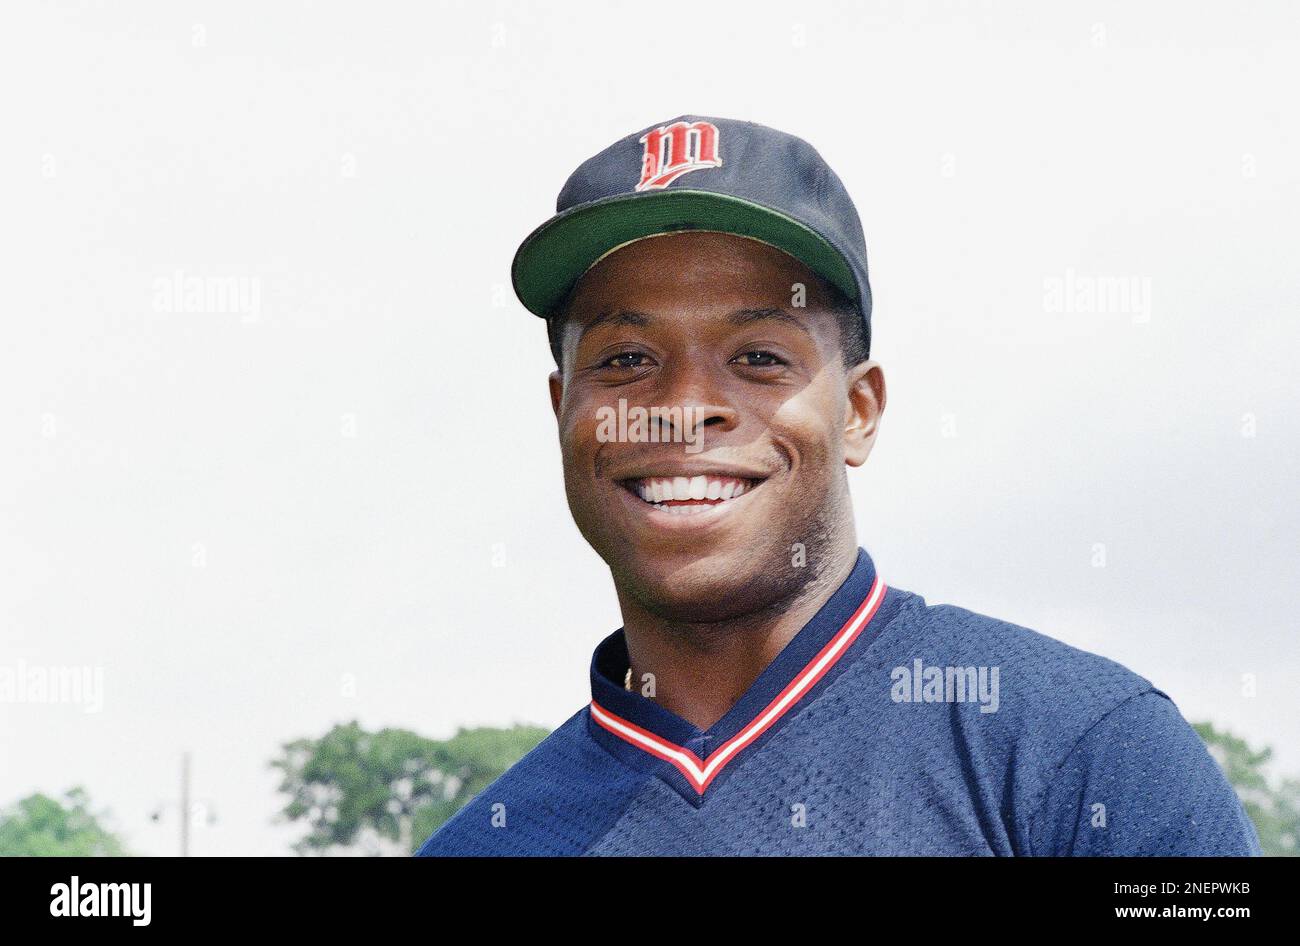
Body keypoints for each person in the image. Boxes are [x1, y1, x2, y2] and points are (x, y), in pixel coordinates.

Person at [416, 116, 1261, 856]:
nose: (683, 409)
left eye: (758, 357)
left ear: (858, 411)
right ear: (565, 409)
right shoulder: (491, 839)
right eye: (627, 360)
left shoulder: (1082, 751)